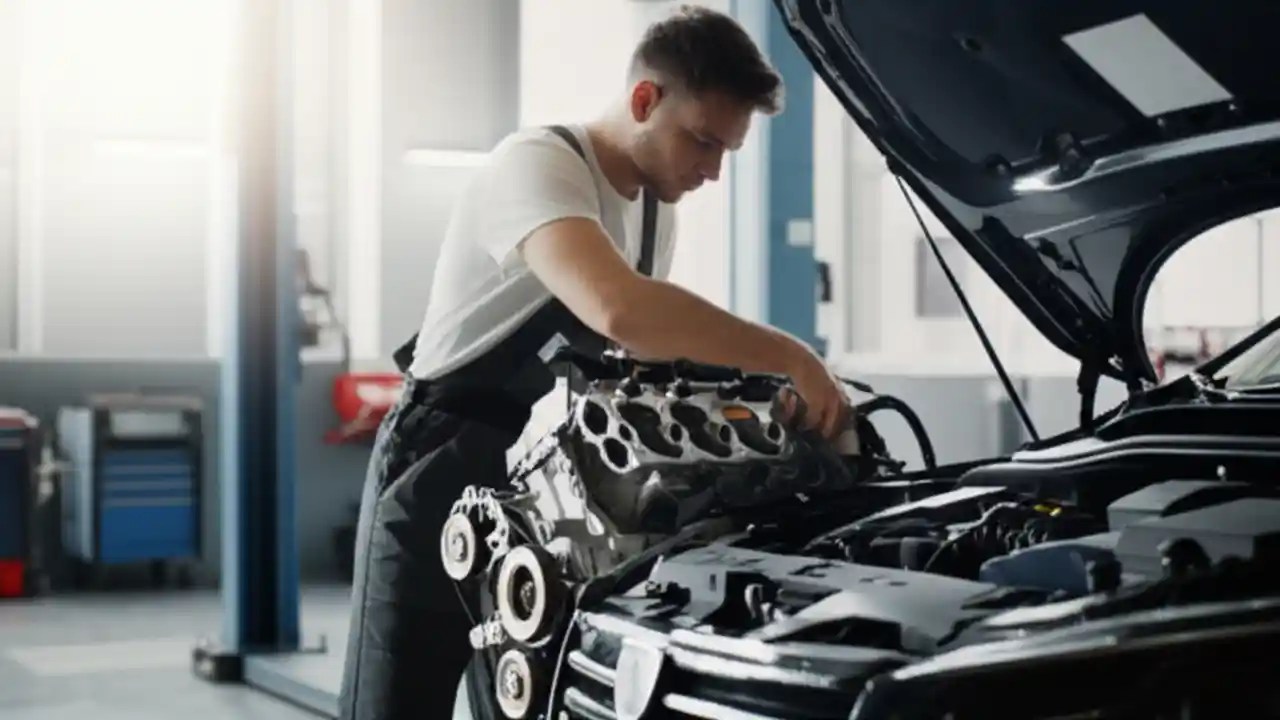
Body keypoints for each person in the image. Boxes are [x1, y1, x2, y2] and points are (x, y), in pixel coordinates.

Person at [338, 6, 853, 719]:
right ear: (645, 99)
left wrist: (768, 396)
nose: (711, 170)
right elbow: (620, 310)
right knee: (396, 699)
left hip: (526, 481)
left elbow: (646, 348)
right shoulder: (539, 163)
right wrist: (793, 356)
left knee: (517, 692)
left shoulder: (649, 213)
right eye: (703, 142)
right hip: (436, 462)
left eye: (726, 152)